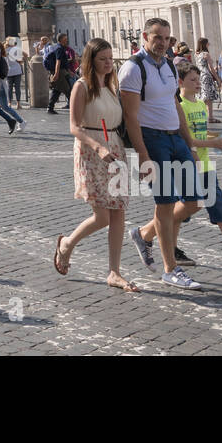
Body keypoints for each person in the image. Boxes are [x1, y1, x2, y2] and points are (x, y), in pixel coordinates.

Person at [136, 66, 222, 272]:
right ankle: (150, 236)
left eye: (198, 79)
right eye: (192, 80)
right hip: (189, 163)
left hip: (204, 165)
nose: (198, 83)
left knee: (214, 207)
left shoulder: (200, 105)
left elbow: (201, 134)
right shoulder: (181, 106)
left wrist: (221, 133)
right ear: (179, 83)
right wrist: (211, 144)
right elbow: (185, 139)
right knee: (183, 209)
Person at [120, 17, 203, 290]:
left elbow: (175, 104)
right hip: (153, 140)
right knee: (165, 203)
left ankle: (144, 233)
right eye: (157, 37)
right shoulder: (132, 69)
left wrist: (189, 142)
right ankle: (170, 269)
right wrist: (143, 154)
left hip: (175, 139)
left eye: (166, 38)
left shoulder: (169, 64)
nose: (162, 43)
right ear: (145, 36)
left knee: (193, 201)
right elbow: (131, 117)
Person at [51, 38, 139, 291]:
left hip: (115, 149)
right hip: (92, 150)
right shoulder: (81, 86)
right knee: (102, 216)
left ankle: (114, 272)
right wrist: (98, 147)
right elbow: (74, 127)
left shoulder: (112, 85)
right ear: (91, 61)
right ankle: (67, 243)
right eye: (103, 59)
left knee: (119, 210)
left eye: (111, 59)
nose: (109, 63)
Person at [45, 34, 76, 115]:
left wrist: (69, 71)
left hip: (62, 71)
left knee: (57, 90)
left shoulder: (59, 48)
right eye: (65, 39)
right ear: (61, 40)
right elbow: (58, 62)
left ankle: (50, 107)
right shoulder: (59, 49)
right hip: (60, 72)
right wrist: (56, 74)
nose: (67, 40)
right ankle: (75, 108)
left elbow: (63, 62)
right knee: (68, 90)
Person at [194, 38, 221, 123]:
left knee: (202, 96)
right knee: (209, 98)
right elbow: (211, 68)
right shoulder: (206, 54)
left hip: (200, 76)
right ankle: (210, 117)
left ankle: (203, 115)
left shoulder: (197, 54)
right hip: (206, 75)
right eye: (207, 42)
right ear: (205, 44)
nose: (209, 43)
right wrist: (217, 78)